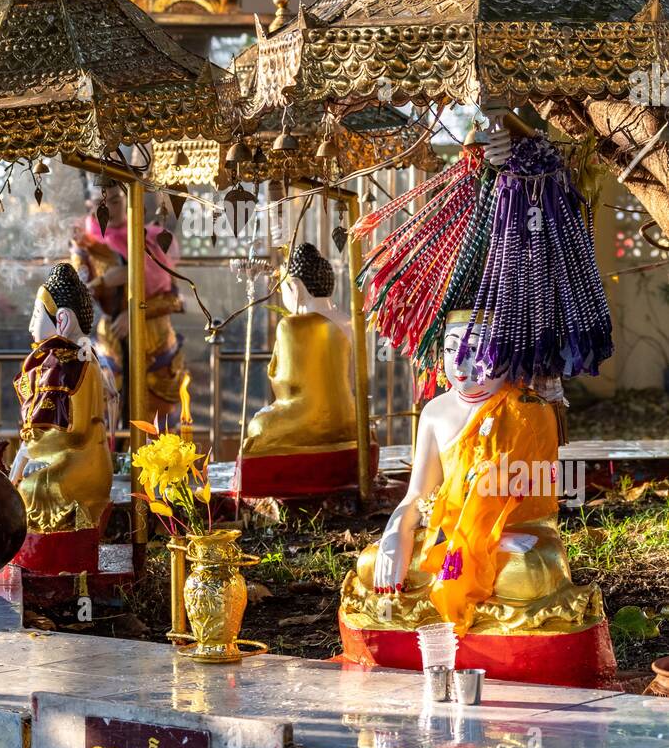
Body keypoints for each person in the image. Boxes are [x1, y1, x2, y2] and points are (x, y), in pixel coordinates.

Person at [342, 310, 601, 635]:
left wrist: (494, 535)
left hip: (521, 532)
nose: (461, 365)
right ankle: (457, 589)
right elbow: (417, 494)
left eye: (478, 351)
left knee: (531, 572)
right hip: (448, 530)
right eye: (452, 350)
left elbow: (532, 502)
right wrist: (397, 533)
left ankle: (455, 590)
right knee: (370, 562)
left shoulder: (530, 411)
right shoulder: (436, 412)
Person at [238, 242, 360, 496]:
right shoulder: (348, 321)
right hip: (349, 421)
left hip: (304, 419)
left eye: (284, 288)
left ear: (295, 287)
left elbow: (286, 381)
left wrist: (275, 375)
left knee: (257, 427)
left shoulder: (291, 326)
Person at [71, 182, 186, 424]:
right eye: (101, 203)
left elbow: (175, 299)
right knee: (108, 420)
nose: (109, 209)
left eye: (115, 200)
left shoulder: (153, 240)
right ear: (89, 205)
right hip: (111, 344)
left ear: (129, 199)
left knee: (160, 426)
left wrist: (135, 313)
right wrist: (104, 281)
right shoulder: (87, 246)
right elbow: (77, 297)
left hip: (157, 345)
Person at [11, 262, 112, 533]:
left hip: (80, 464)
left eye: (36, 315)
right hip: (69, 459)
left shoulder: (77, 363)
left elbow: (76, 433)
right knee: (25, 485)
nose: (31, 325)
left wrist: (27, 452)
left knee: (28, 490)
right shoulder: (65, 360)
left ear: (62, 320)